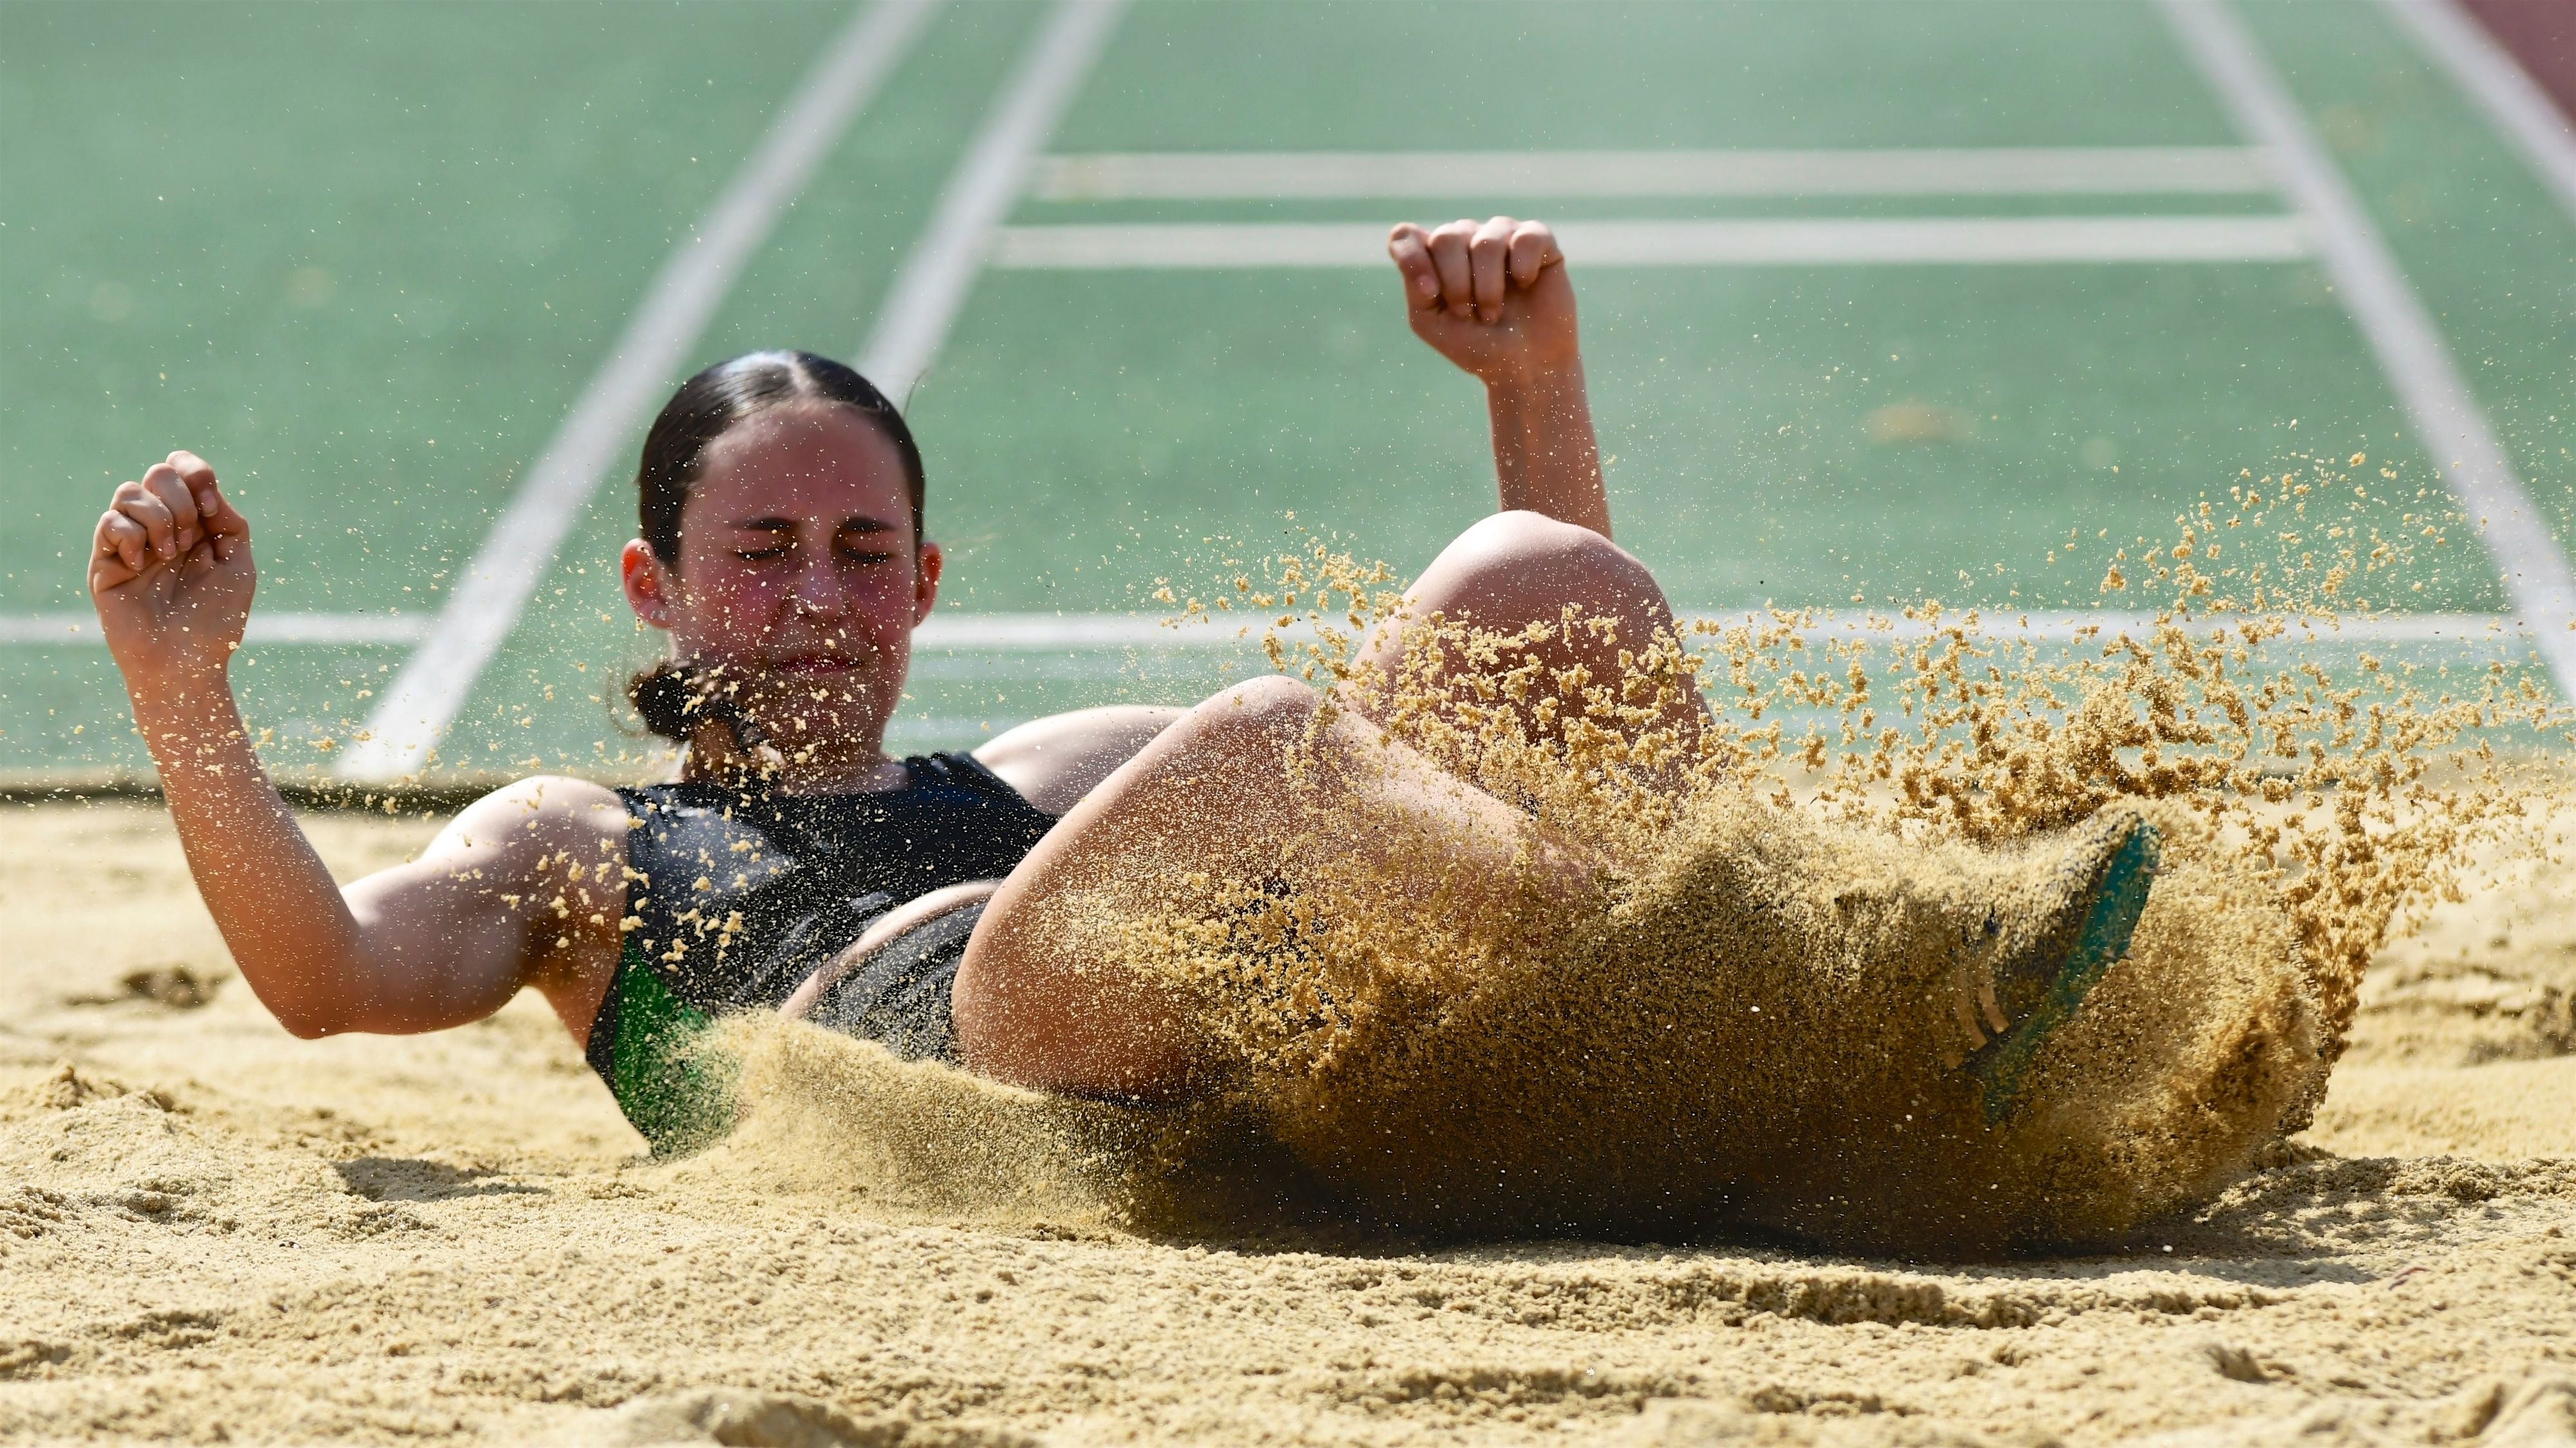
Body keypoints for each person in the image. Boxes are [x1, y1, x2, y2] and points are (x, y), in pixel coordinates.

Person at [88, 218, 2155, 1154]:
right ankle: (1822, 986)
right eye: (762, 551)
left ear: (927, 584)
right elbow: (328, 975)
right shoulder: (590, 843)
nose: (818, 597)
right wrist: (184, 688)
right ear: (658, 586)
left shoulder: (1038, 773)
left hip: (1145, 1016)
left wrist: (1535, 388)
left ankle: (1822, 1006)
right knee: (1268, 743)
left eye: (864, 551)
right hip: (923, 1060)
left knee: (1532, 583)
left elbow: (1528, 722)